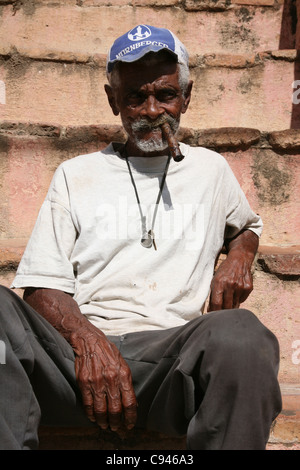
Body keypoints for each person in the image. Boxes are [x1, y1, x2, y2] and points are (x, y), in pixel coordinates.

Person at [0, 25, 282, 450]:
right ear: (114, 100)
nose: (151, 111)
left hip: (171, 366)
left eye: (165, 95)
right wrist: (89, 341)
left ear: (186, 96)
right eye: (135, 96)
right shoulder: (75, 175)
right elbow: (41, 287)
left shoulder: (211, 170)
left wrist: (239, 256)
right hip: (74, 364)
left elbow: (246, 225)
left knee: (244, 336)